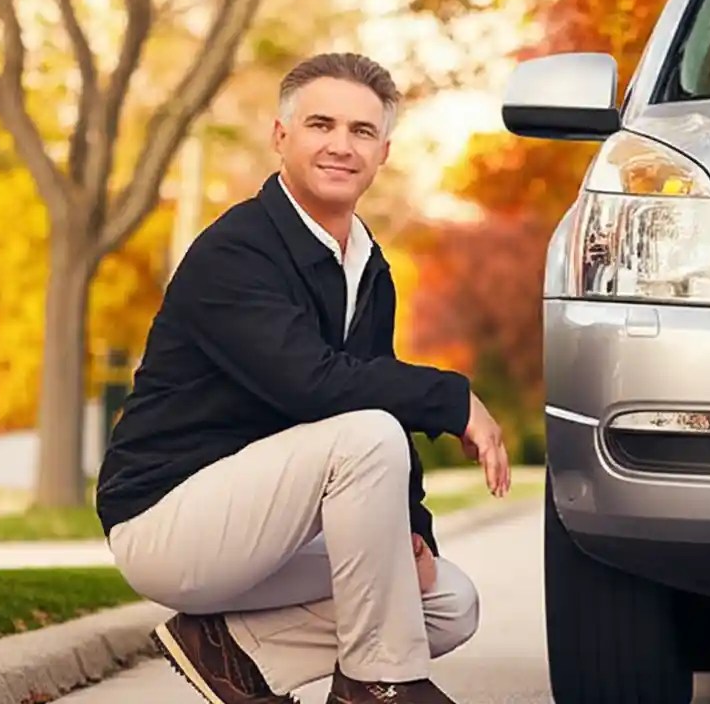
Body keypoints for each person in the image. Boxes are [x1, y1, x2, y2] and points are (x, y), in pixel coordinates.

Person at [94, 52, 511, 704]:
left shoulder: (367, 266)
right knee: (365, 433)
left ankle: (235, 653)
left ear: (383, 154)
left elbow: (376, 396)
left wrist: (415, 531)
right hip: (169, 523)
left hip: (270, 530)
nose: (341, 146)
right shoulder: (237, 251)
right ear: (281, 136)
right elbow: (311, 386)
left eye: (362, 132)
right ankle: (378, 685)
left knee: (447, 601)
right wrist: (453, 399)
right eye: (321, 125)